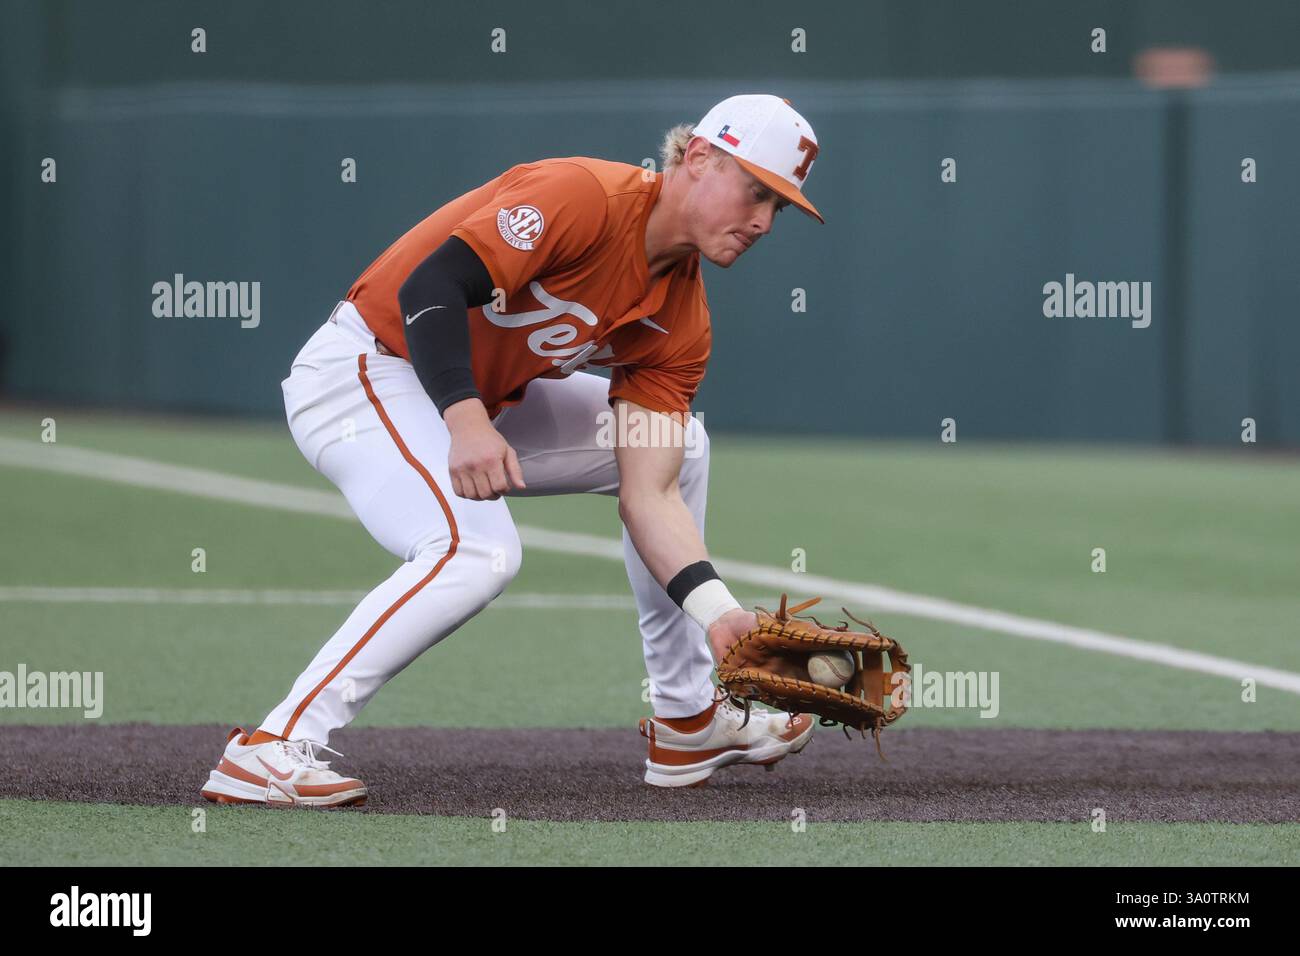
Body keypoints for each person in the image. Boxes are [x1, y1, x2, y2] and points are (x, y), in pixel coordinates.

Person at [199, 93, 825, 806]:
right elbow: (431, 285)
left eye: (779, 208)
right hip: (366, 370)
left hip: (476, 398)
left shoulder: (681, 320)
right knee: (476, 550)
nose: (764, 222)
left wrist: (719, 614)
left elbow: (648, 492)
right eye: (758, 192)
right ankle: (274, 744)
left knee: (681, 448)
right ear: (701, 157)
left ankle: (687, 720)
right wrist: (466, 421)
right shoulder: (584, 196)